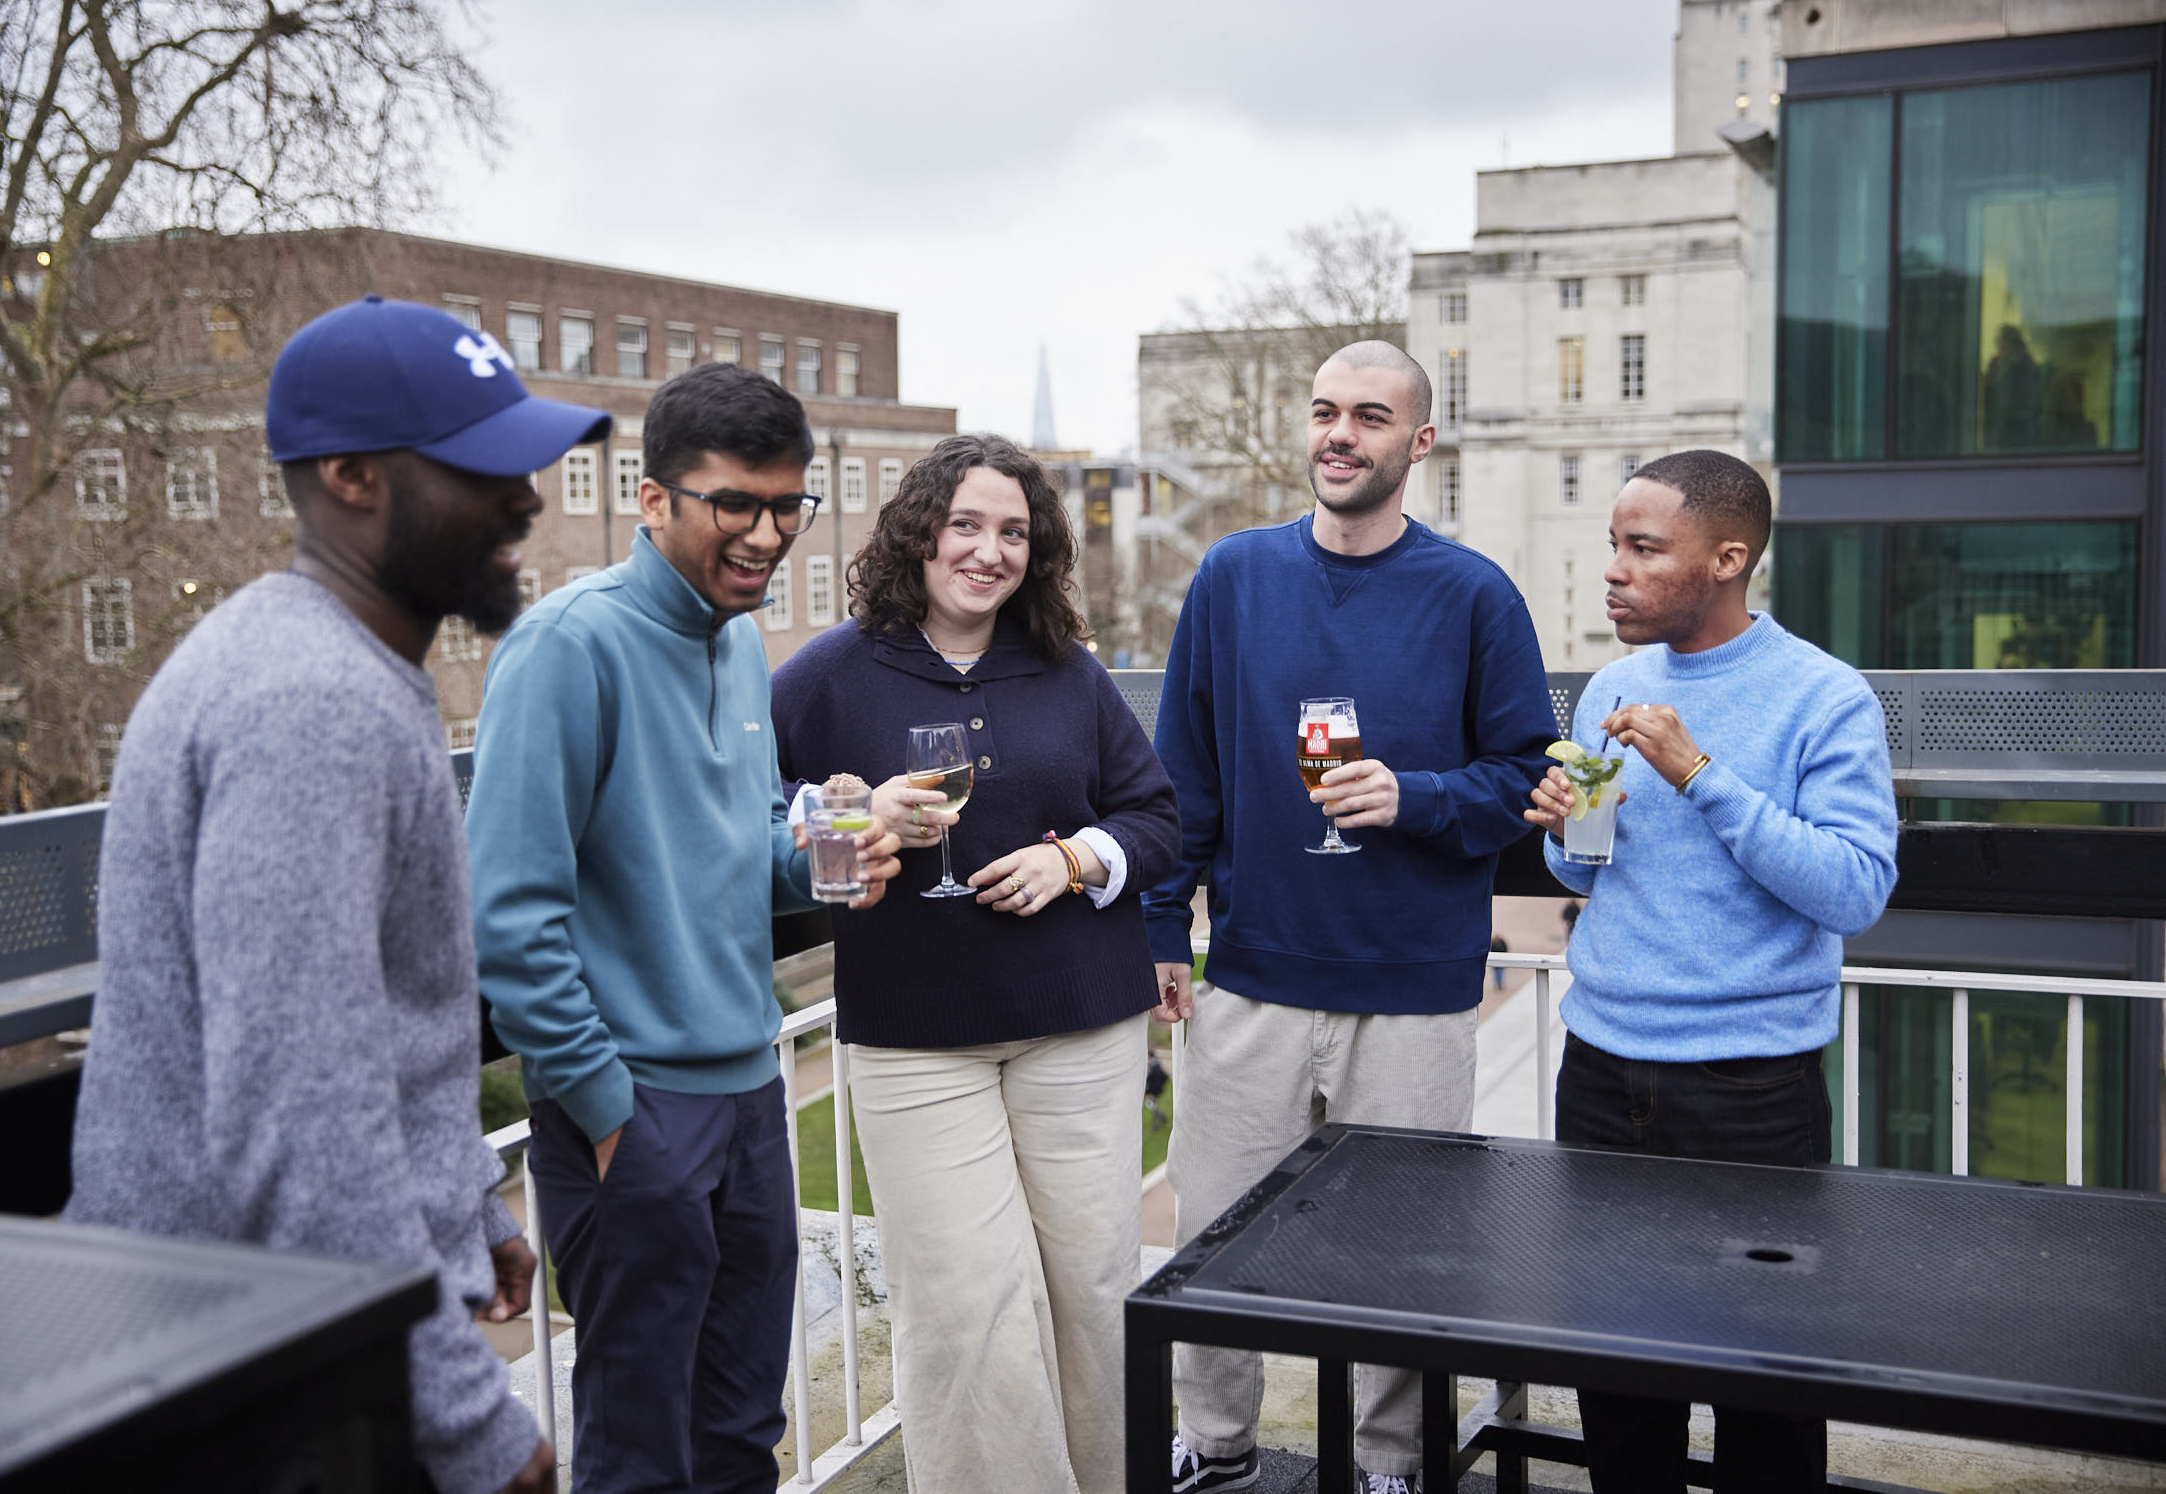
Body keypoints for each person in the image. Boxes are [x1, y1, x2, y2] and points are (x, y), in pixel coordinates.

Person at [67, 296, 606, 1494]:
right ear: (354, 476)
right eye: (486, 463)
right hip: (250, 1381)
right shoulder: (308, 705)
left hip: (280, 1349)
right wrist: (475, 1425)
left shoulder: (336, 666)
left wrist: (469, 1204)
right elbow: (299, 1127)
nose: (528, 493)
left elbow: (377, 1021)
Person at [466, 363, 901, 1493]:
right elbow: (510, 917)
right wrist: (607, 1112)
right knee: (636, 1450)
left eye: (787, 506)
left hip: (748, 1092)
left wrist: (827, 862)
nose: (767, 534)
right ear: (652, 501)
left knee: (738, 1433)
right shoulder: (567, 647)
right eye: (735, 504)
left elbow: (746, 859)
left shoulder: (737, 642)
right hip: (633, 1112)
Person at [1145, 341, 1557, 1494]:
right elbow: (1187, 770)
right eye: (1325, 412)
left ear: (1419, 442)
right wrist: (1162, 924)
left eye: (1370, 416)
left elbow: (1526, 773)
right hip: (1252, 978)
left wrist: (1413, 796)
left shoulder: (1475, 594)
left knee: (1402, 1256)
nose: (1341, 433)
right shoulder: (1234, 576)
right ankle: (1214, 1443)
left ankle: (1390, 1464)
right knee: (1212, 1236)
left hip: (1415, 985)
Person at [772, 433, 1180, 1494]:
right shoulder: (825, 676)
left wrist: (1075, 858)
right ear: (919, 532)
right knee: (966, 1304)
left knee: (1092, 1289)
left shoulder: (1068, 671)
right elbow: (764, 826)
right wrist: (854, 821)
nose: (989, 551)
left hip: (1080, 1021)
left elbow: (1157, 820)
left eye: (1013, 532)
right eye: (966, 525)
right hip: (916, 1034)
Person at [1524, 449, 1898, 1493]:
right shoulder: (1613, 681)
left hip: (1752, 1089)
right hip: (1601, 1067)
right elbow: (1590, 866)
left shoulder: (1825, 696)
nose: (1614, 569)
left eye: (1644, 548)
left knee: (1766, 1388)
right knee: (1619, 1374)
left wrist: (1700, 774)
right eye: (1613, 544)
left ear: (1729, 557)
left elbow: (1857, 887)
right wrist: (1567, 831)